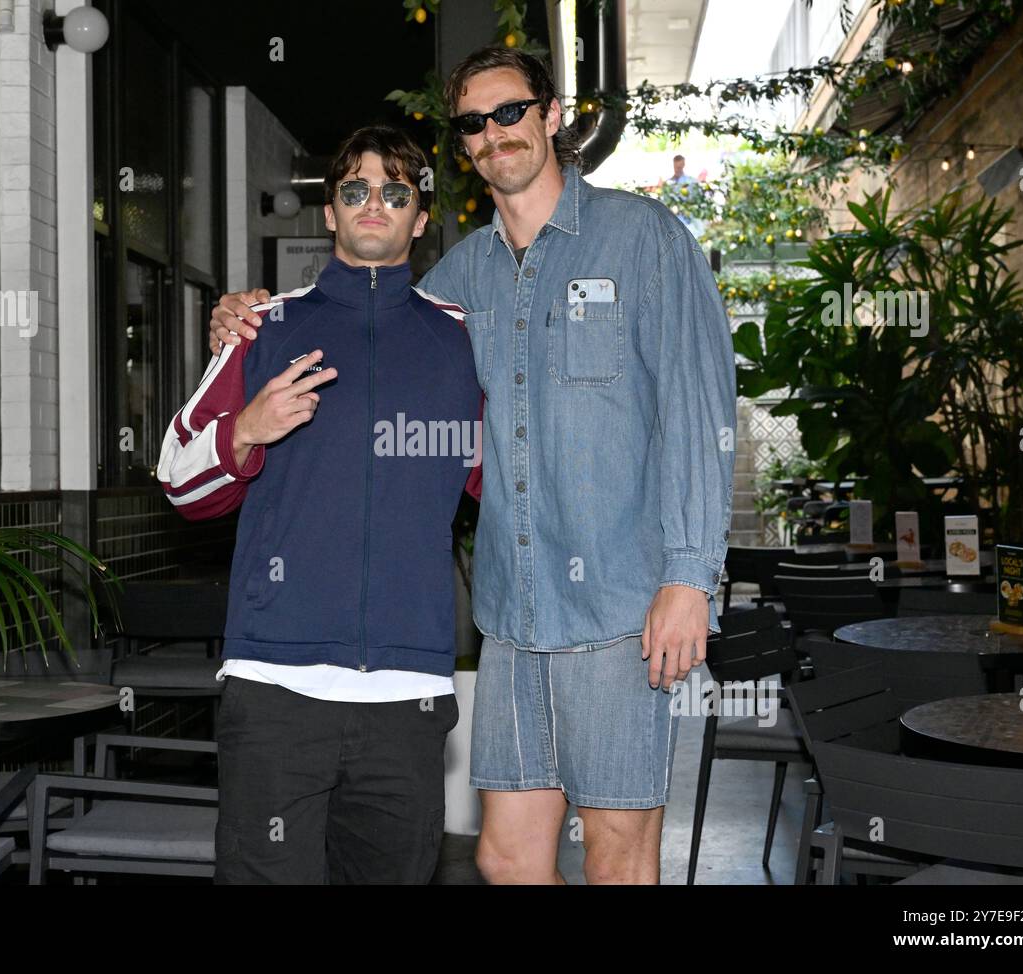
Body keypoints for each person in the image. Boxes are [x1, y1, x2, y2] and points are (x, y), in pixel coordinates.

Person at [210, 46, 735, 885]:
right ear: (462, 146)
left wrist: (690, 577)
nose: (494, 133)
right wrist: (243, 318)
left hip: (619, 611)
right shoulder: (457, 284)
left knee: (618, 856)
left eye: (511, 112)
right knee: (505, 857)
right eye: (473, 124)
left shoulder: (644, 239)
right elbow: (375, 335)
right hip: (512, 622)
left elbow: (699, 413)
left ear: (552, 116)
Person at [159, 124, 481, 884]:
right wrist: (247, 431)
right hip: (275, 690)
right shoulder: (263, 329)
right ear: (330, 213)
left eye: (396, 192)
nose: (376, 204)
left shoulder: (463, 344)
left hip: (410, 695)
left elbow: (506, 484)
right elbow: (178, 478)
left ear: (421, 219)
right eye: (356, 190)